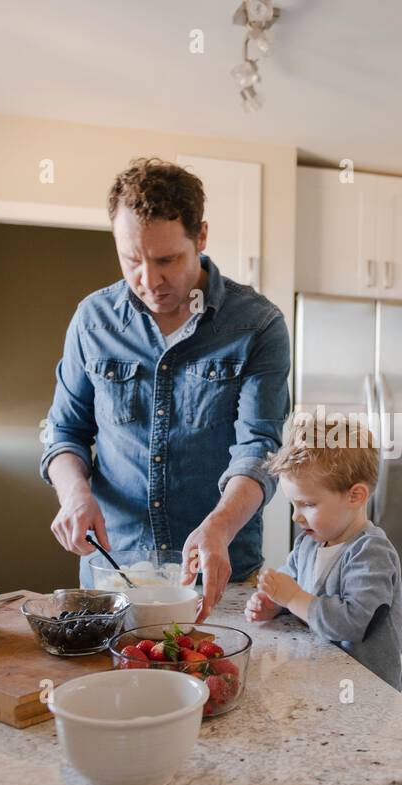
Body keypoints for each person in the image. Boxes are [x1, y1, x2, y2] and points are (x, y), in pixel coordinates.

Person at [41, 158, 290, 619]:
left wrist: (217, 526)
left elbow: (259, 450)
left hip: (216, 572)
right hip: (113, 570)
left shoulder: (257, 324)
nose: (149, 281)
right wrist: (74, 494)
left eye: (166, 260)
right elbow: (63, 432)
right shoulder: (93, 320)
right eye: (132, 260)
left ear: (201, 238)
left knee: (214, 687)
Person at [245, 412, 402, 785]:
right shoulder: (311, 543)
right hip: (323, 694)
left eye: (308, 505)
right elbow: (297, 594)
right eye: (294, 505)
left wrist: (294, 596)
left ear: (356, 496)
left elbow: (349, 623)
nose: (298, 518)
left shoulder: (371, 551)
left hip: (367, 701)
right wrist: (274, 604)